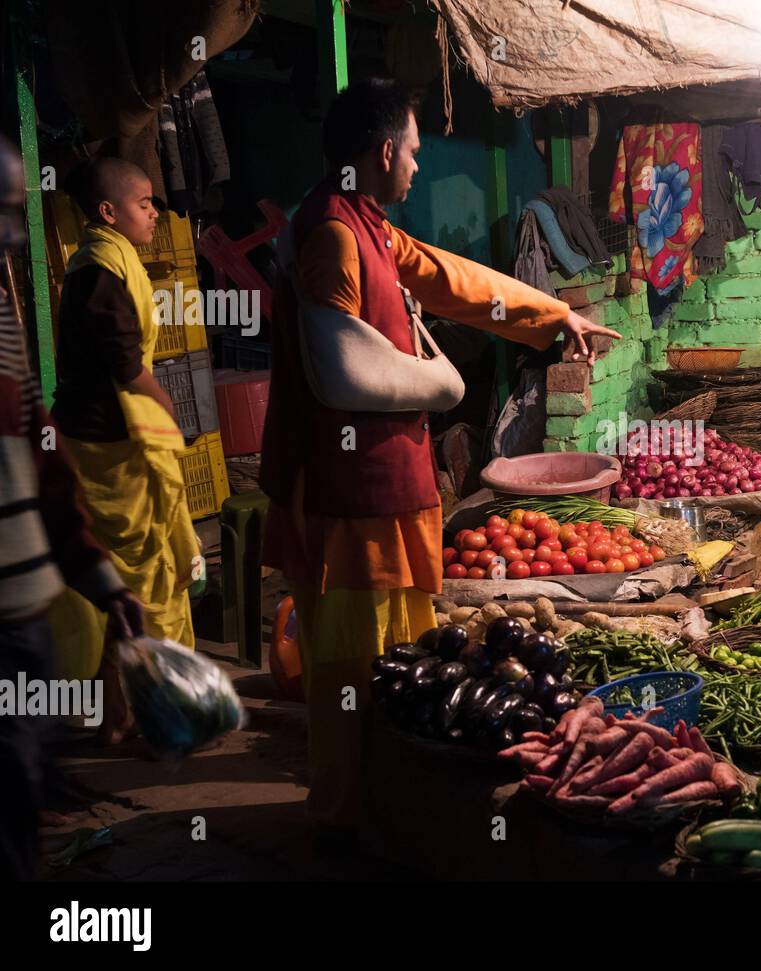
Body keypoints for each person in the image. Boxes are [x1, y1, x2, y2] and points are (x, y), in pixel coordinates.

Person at [258, 79, 619, 847]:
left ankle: (391, 806)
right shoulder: (331, 233)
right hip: (348, 496)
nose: (419, 167)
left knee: (402, 666)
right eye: (416, 151)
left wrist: (556, 317)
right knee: (353, 671)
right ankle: (344, 823)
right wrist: (446, 382)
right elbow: (341, 371)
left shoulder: (367, 225)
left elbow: (456, 284)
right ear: (384, 150)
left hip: (388, 493)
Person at [0, 137, 144, 879]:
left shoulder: (3, 317)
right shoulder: (97, 273)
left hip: (24, 610)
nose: (10, 239)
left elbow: (39, 449)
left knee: (21, 794)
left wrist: (95, 571)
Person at [43, 156, 200, 743]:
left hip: (102, 442)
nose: (156, 213)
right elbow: (129, 369)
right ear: (108, 213)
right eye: (144, 204)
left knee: (122, 584)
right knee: (139, 583)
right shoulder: (99, 272)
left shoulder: (108, 261)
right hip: (103, 449)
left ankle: (119, 717)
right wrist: (171, 422)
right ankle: (144, 717)